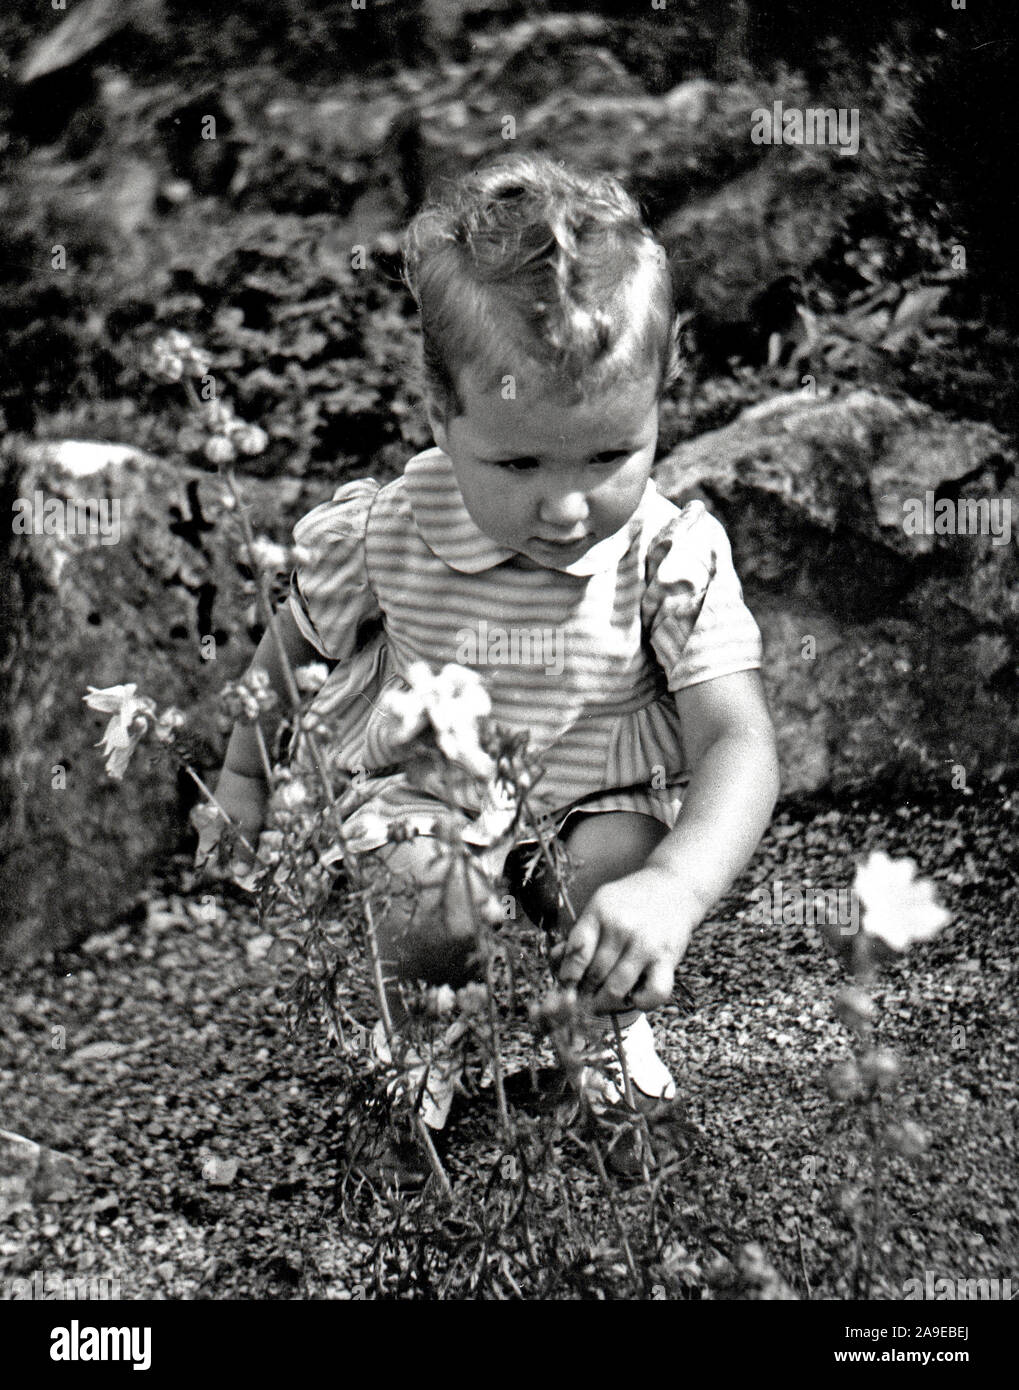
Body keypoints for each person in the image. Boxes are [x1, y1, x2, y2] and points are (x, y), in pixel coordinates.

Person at [207, 152, 780, 1157]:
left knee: (614, 873)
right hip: (430, 798)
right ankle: (421, 1035)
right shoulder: (389, 528)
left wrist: (676, 889)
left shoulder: (665, 552)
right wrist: (242, 789)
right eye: (516, 462)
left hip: (586, 801)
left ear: (659, 400)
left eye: (609, 455)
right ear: (441, 417)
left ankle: (599, 1033)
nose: (565, 508)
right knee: (428, 893)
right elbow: (286, 649)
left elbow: (737, 738)